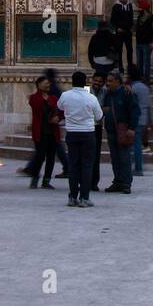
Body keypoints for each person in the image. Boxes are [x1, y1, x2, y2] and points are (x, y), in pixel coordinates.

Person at [57, 70, 103, 207]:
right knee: (87, 166)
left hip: (71, 132)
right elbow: (99, 116)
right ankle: (84, 197)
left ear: (72, 81)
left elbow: (59, 106)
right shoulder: (91, 98)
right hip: (88, 133)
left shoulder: (65, 95)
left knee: (73, 165)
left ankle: (72, 196)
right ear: (85, 83)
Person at [101, 69, 140, 193]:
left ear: (118, 81)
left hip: (123, 131)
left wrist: (132, 128)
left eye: (110, 81)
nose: (108, 83)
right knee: (115, 158)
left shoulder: (127, 93)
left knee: (124, 158)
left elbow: (135, 111)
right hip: (111, 130)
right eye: (107, 81)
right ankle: (117, 181)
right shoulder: (107, 94)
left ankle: (126, 183)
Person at [25, 74, 62, 189]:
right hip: (40, 131)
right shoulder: (34, 98)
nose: (48, 85)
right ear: (39, 85)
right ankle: (35, 177)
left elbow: (61, 111)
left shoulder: (54, 98)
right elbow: (37, 106)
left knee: (51, 157)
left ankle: (46, 180)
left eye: (48, 83)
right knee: (40, 156)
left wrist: (58, 117)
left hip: (52, 131)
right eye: (46, 83)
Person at [128, 62, 151, 178]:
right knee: (137, 143)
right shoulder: (145, 88)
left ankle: (138, 167)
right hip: (143, 118)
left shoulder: (133, 88)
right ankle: (137, 165)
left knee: (135, 144)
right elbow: (149, 105)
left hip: (135, 118)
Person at [110, 0, 134, 73]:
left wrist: (131, 27)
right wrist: (117, 28)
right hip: (119, 32)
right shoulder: (116, 7)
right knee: (119, 50)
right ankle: (121, 68)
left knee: (130, 50)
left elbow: (131, 18)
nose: (124, 0)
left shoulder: (129, 6)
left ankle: (130, 67)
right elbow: (112, 20)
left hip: (128, 32)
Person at [90, 71, 106, 191]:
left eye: (100, 82)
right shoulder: (85, 91)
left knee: (95, 155)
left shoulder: (105, 91)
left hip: (97, 127)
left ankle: (94, 182)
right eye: (96, 80)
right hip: (87, 127)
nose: (97, 83)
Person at [135, 0, 153, 83]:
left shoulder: (152, 18)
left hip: (147, 43)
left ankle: (146, 79)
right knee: (139, 62)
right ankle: (139, 78)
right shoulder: (139, 17)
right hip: (139, 43)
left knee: (146, 62)